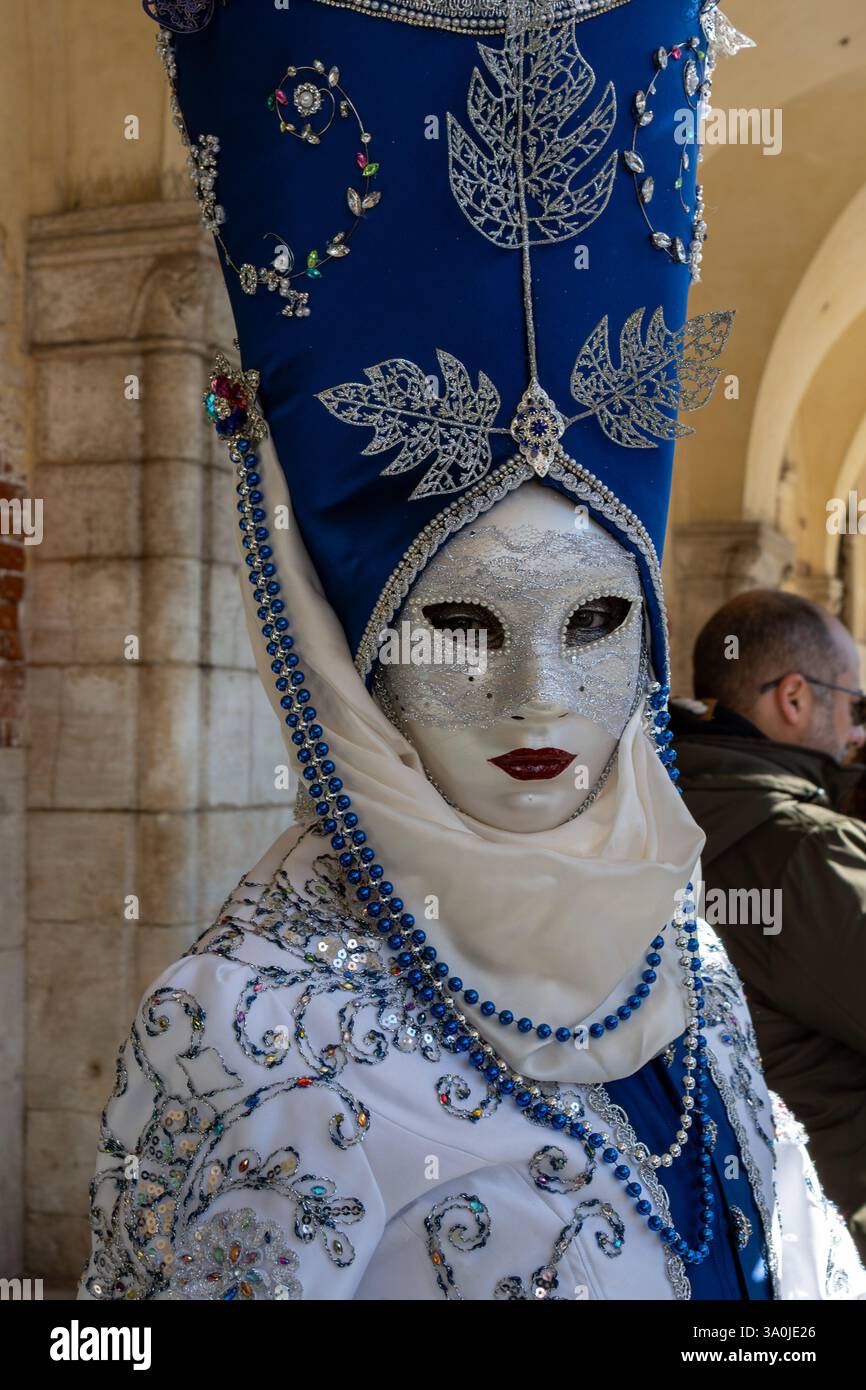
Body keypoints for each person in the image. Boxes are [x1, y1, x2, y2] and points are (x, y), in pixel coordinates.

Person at [77, 0, 864, 1300]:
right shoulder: (249, 1036)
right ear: (345, 645)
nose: (537, 697)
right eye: (458, 622)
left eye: (597, 621)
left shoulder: (673, 942)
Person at [671, 589, 866, 1258]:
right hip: (833, 1232)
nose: (859, 732)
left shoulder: (660, 811)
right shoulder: (804, 849)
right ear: (793, 697)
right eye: (855, 705)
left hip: (722, 1223)